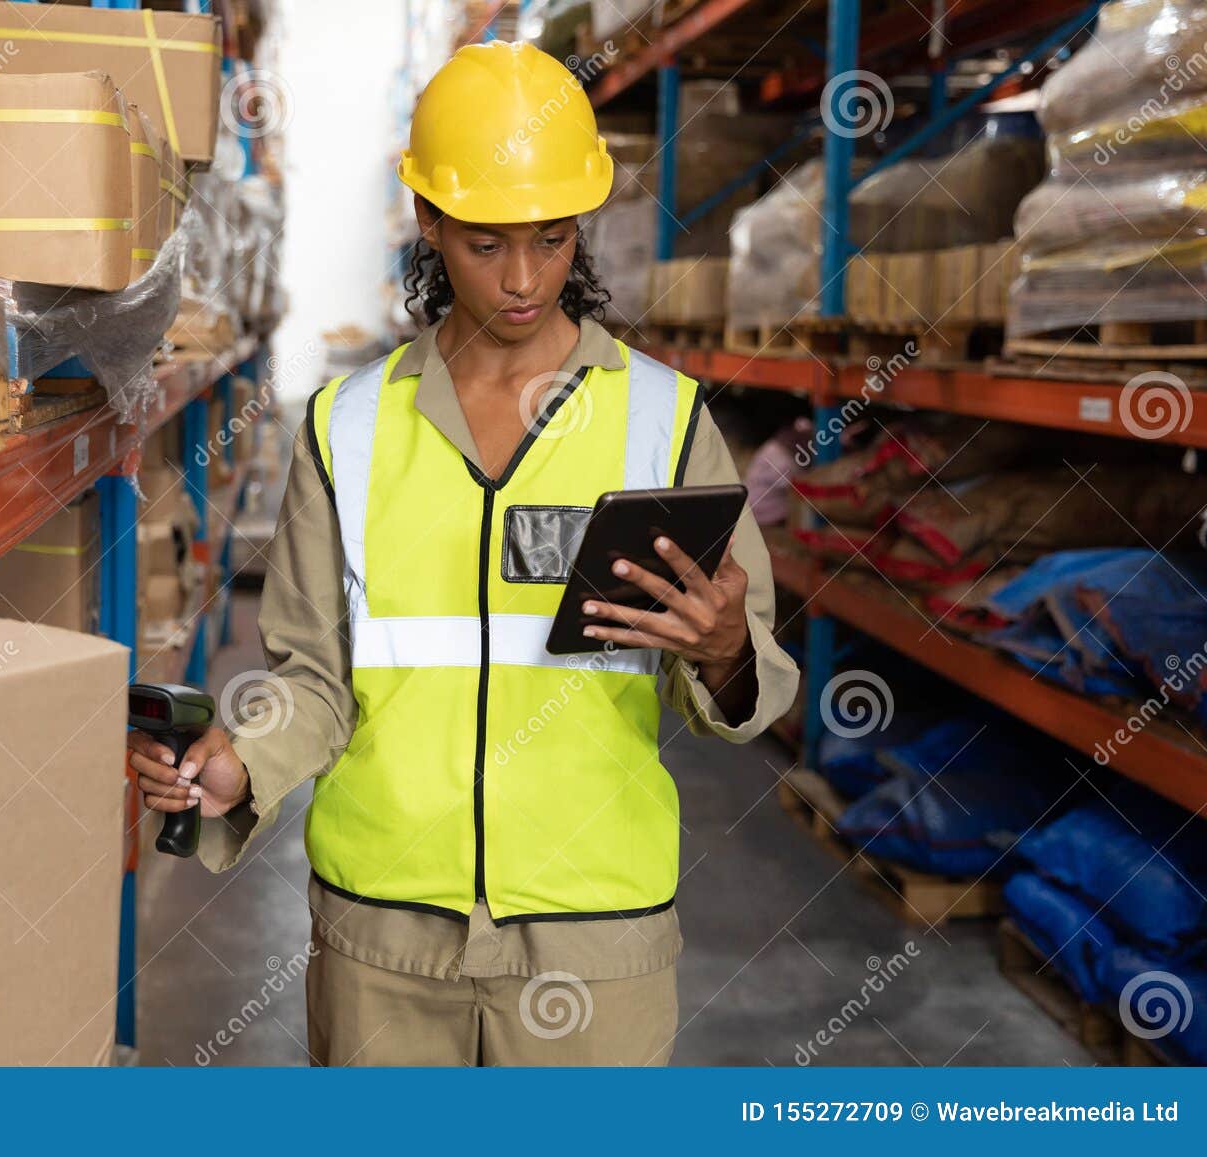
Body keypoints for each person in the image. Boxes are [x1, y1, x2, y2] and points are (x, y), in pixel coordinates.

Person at [128, 40, 799, 1066]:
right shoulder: (348, 428)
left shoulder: (664, 421)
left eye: (551, 239)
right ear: (430, 220)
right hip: (383, 932)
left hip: (594, 934)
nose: (524, 279)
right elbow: (312, 677)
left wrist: (722, 649)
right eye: (486, 243)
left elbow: (744, 675)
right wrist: (239, 764)